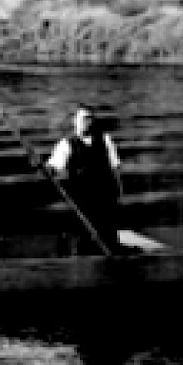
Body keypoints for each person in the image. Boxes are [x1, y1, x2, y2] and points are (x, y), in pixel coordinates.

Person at [43, 104, 124, 255]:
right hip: (82, 199)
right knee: (84, 238)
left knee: (109, 237)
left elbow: (115, 167)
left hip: (105, 197)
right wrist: (47, 169)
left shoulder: (105, 139)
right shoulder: (66, 144)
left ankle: (111, 255)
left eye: (90, 118)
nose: (87, 122)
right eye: (83, 118)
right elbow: (54, 166)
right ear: (74, 120)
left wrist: (119, 192)